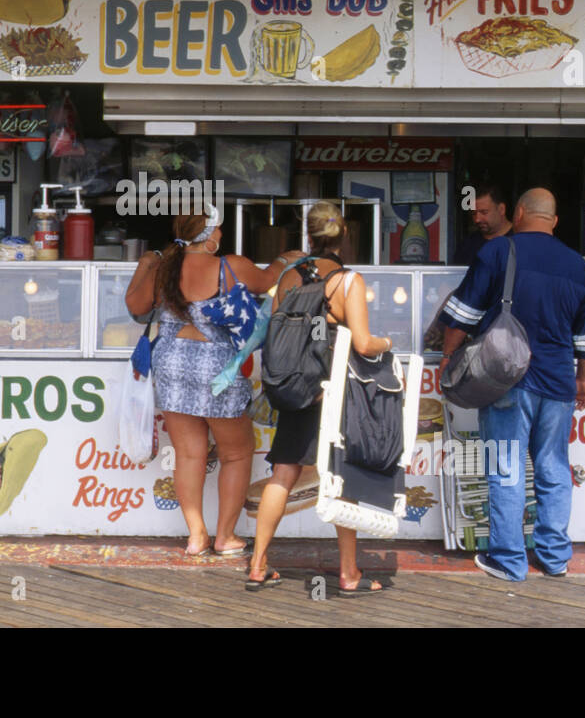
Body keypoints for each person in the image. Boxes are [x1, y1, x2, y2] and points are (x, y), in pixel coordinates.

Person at [438, 188, 585, 581]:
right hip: (558, 384)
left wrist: (446, 358)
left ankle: (509, 561)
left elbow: (461, 315)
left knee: (506, 467)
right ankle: (554, 557)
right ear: (555, 221)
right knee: (554, 468)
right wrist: (584, 380)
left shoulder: (497, 253)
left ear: (521, 211)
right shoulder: (578, 267)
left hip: (506, 380)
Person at [125, 210, 301, 557]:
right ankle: (225, 537)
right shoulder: (229, 266)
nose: (221, 235)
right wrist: (284, 257)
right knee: (236, 455)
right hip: (217, 368)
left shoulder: (164, 268)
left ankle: (195, 537)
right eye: (219, 230)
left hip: (172, 364)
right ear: (210, 237)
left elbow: (135, 305)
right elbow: (267, 280)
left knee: (190, 455)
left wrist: (147, 261)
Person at [247, 202, 393, 595]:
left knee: (284, 471)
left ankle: (258, 564)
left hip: (296, 387)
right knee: (342, 481)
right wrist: (386, 341)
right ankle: (349, 574)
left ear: (308, 237)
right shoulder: (348, 281)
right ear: (345, 237)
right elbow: (362, 343)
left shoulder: (289, 278)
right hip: (335, 392)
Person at [452, 183, 513, 266]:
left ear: (501, 209)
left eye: (484, 212)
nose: (477, 219)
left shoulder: (521, 240)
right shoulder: (467, 246)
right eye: (473, 213)